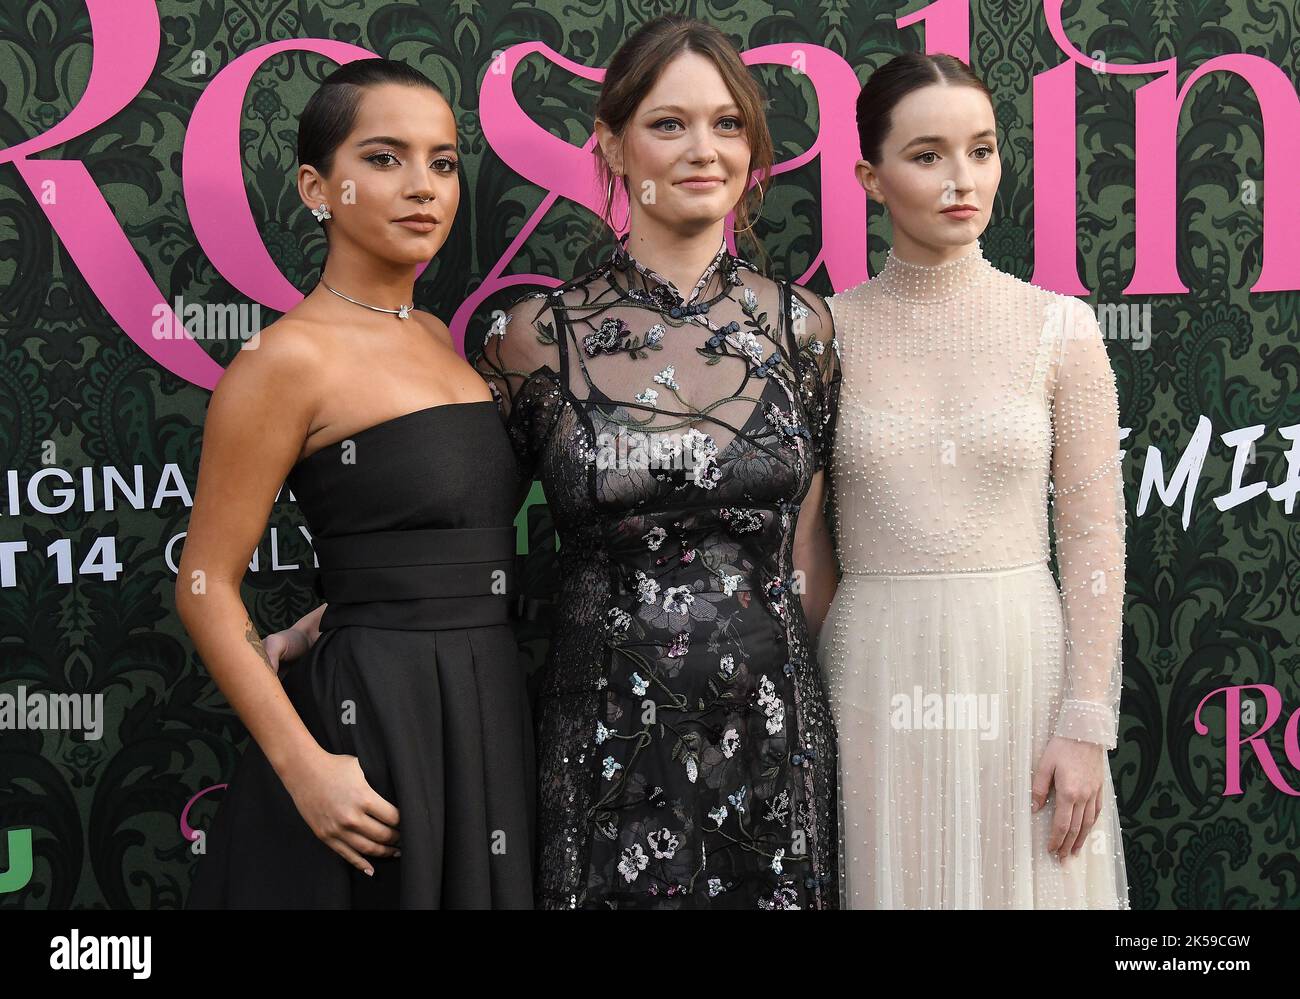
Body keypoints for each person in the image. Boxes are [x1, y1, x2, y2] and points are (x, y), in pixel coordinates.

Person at [269, 15, 843, 910]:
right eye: (669, 123)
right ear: (612, 146)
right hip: (602, 741)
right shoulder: (538, 339)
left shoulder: (803, 328)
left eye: (729, 124)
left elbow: (816, 560)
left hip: (776, 738)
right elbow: (450, 504)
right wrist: (341, 612)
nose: (704, 149)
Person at [178, 58, 534, 909]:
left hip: (482, 707)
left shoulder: (441, 337)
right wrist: (306, 770)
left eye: (442, 162)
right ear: (316, 185)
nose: (423, 188)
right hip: (368, 725)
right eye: (384, 159)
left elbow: (419, 530)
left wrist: (338, 606)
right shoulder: (284, 360)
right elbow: (203, 586)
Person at [819, 52, 1129, 908]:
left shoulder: (1059, 329)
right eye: (927, 156)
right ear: (870, 178)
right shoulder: (823, 336)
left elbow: (1095, 539)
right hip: (873, 674)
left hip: (1022, 674)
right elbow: (805, 546)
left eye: (982, 150)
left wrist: (1085, 724)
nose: (963, 179)